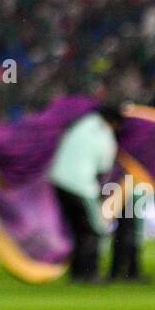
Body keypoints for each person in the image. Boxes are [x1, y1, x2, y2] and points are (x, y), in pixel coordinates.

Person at [49, 107, 120, 283]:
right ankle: (89, 273)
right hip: (81, 185)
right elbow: (103, 170)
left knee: (76, 229)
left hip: (58, 181)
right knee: (94, 229)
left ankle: (76, 272)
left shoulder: (79, 125)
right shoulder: (105, 136)